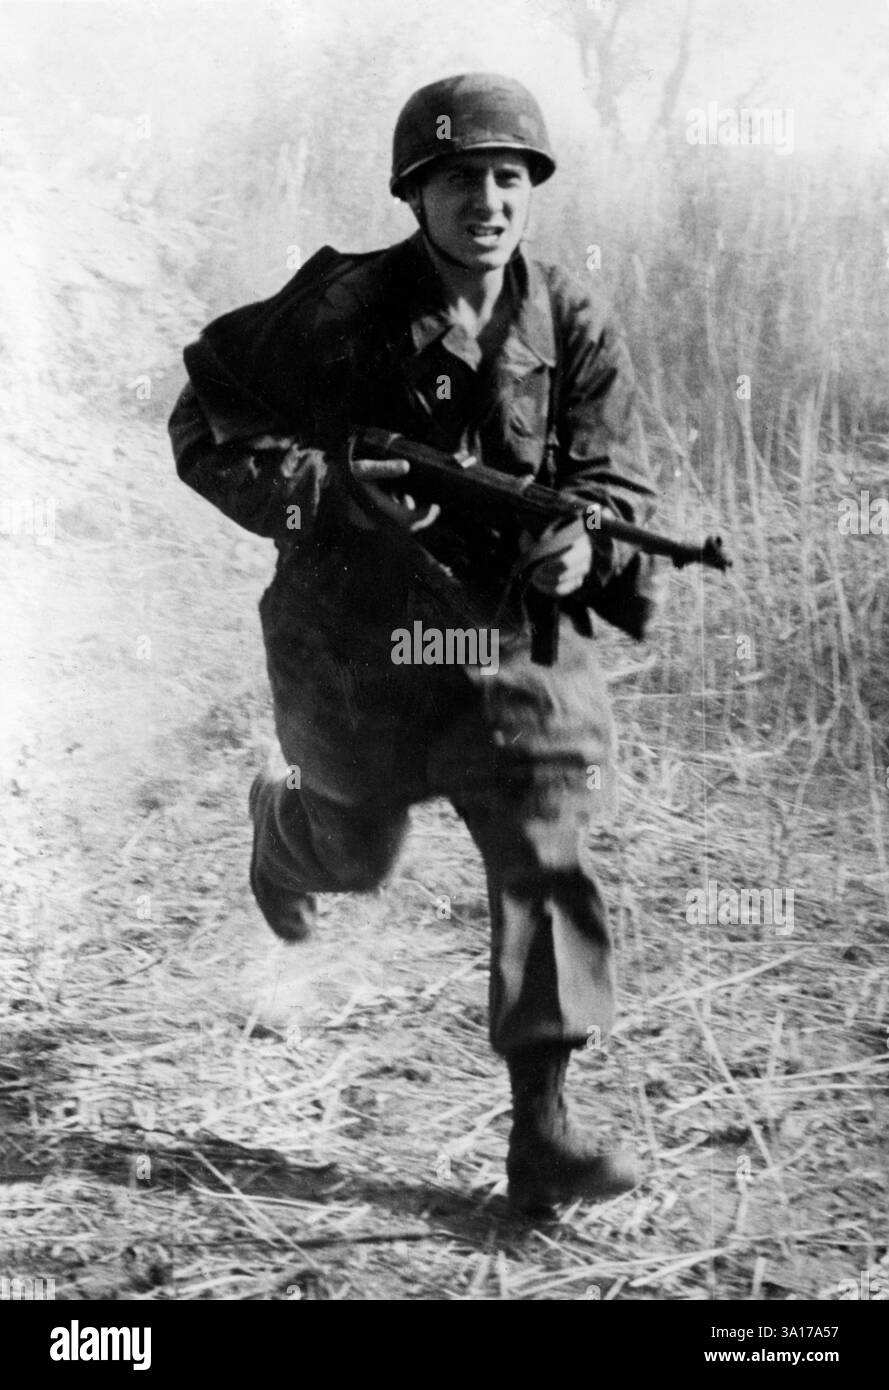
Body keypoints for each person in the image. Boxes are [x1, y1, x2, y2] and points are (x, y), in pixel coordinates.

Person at [169, 73, 658, 1215]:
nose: (484, 201)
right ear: (413, 195)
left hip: (508, 649)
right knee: (358, 853)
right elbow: (207, 416)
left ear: (529, 190)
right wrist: (326, 491)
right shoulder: (340, 306)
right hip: (354, 644)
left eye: (504, 176)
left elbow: (611, 482)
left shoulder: (571, 319)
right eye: (455, 180)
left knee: (544, 840)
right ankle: (285, 830)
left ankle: (543, 1136)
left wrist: (582, 554)